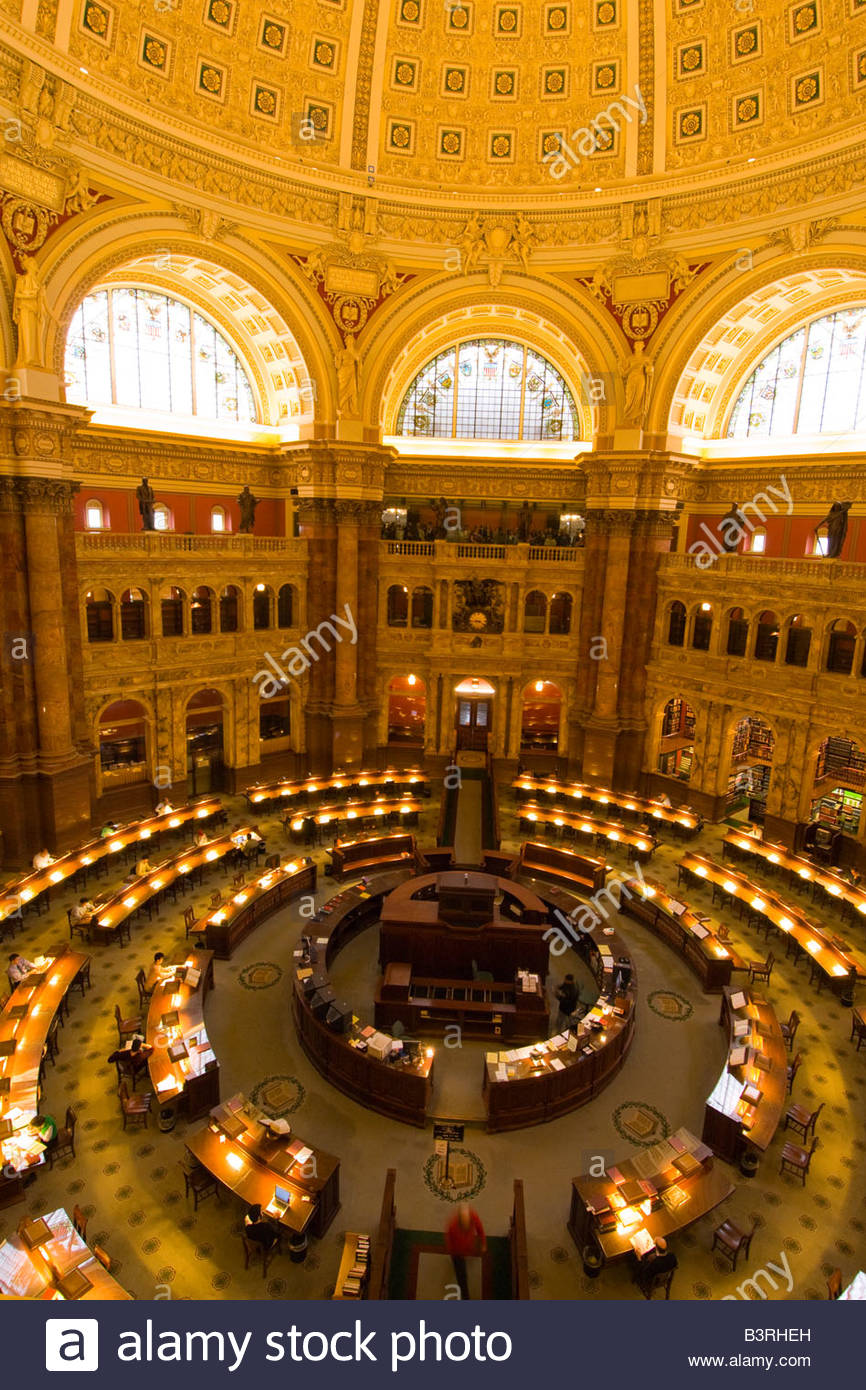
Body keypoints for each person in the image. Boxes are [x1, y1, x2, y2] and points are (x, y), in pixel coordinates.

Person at [444, 1203, 486, 1301]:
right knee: (462, 1277)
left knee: (463, 1276)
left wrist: (483, 1244)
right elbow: (449, 1242)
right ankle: (465, 1297)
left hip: (467, 1248)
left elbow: (480, 1229)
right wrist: (456, 1254)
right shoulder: (453, 1225)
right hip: (457, 1253)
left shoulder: (473, 1216)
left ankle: (465, 1296)